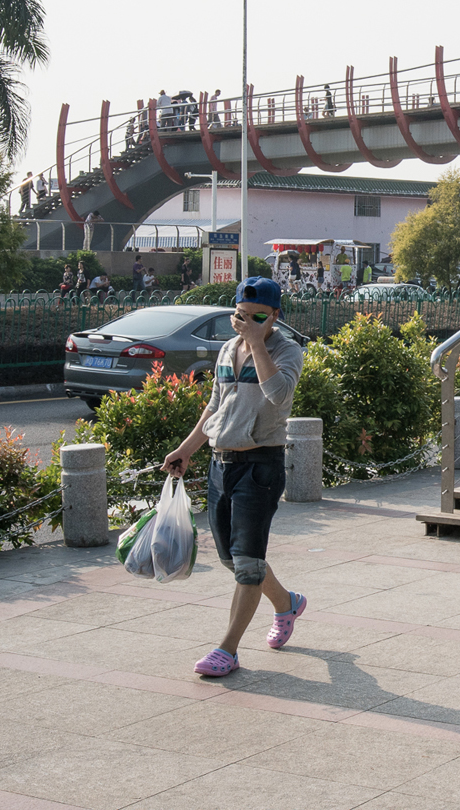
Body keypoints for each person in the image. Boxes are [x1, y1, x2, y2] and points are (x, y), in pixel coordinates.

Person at [160, 274, 306, 678]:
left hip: (260, 466)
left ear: (274, 316)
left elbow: (279, 395)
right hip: (220, 464)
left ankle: (227, 650)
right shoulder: (227, 349)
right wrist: (186, 449)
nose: (247, 323)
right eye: (241, 315)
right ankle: (287, 604)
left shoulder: (287, 350)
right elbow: (215, 406)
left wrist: (257, 344)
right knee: (232, 559)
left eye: (258, 317)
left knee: (247, 564)